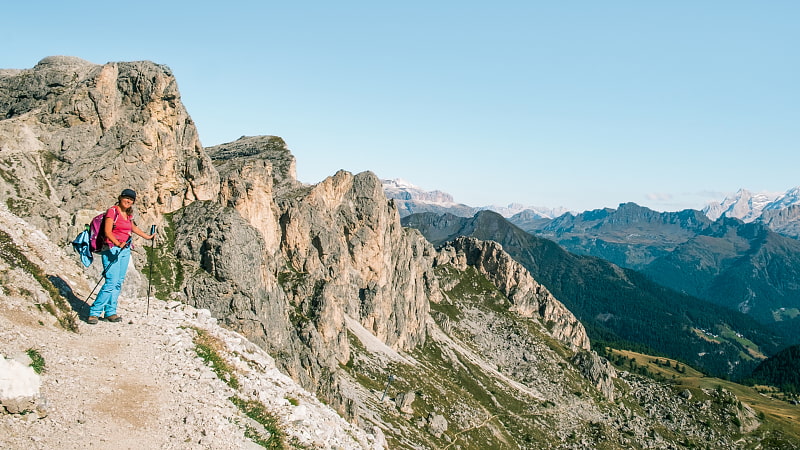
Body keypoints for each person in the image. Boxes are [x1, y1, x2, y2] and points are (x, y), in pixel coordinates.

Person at [87, 189, 154, 324]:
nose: (128, 201)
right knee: (111, 281)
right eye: (126, 198)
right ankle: (94, 313)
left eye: (131, 200)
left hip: (124, 250)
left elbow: (132, 228)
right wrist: (117, 243)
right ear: (120, 198)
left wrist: (148, 236)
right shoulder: (113, 211)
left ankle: (110, 312)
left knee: (118, 282)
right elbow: (107, 231)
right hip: (111, 249)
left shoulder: (128, 214)